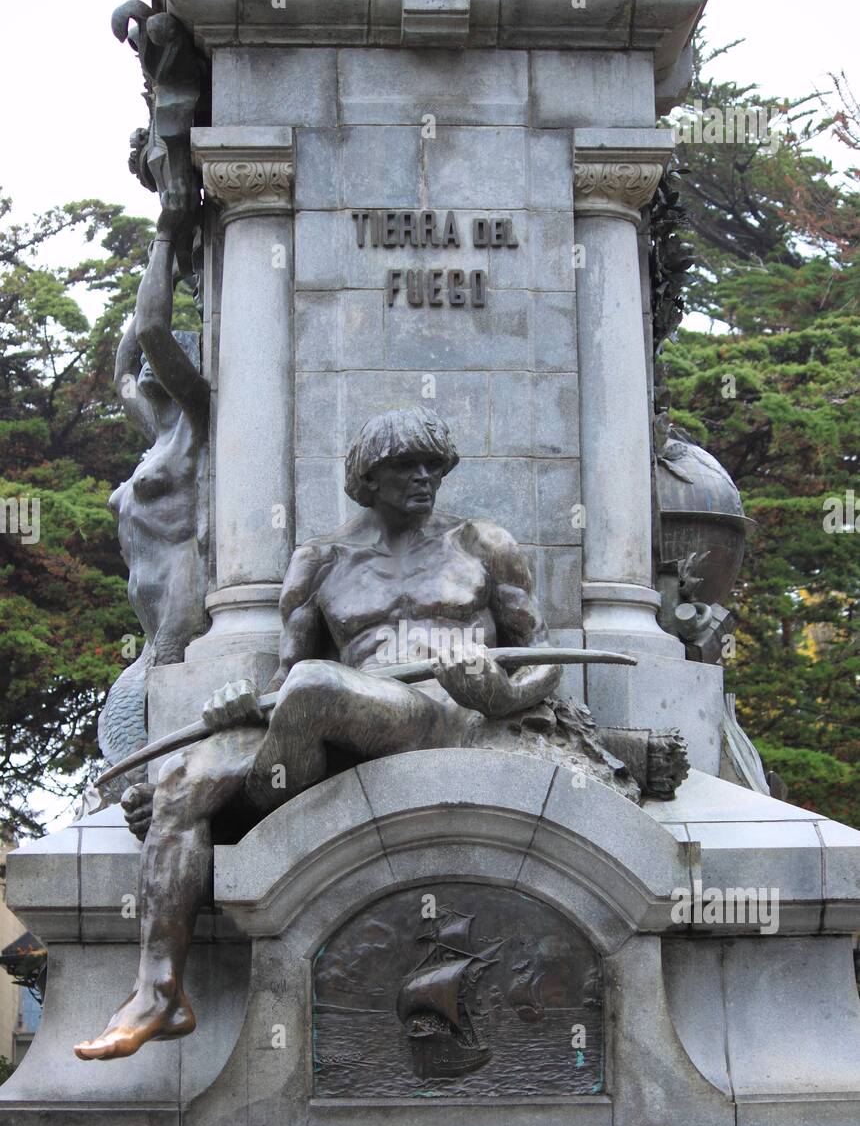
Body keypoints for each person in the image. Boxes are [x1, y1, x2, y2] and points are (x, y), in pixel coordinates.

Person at [75, 406, 686, 1061]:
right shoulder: (320, 562)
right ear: (367, 478)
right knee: (180, 780)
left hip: (444, 716)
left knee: (316, 688)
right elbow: (286, 682)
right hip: (335, 727)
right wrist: (238, 709)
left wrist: (499, 693)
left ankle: (252, 803)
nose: (424, 478)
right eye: (406, 466)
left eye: (434, 464)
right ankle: (159, 991)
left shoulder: (482, 544)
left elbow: (540, 658)